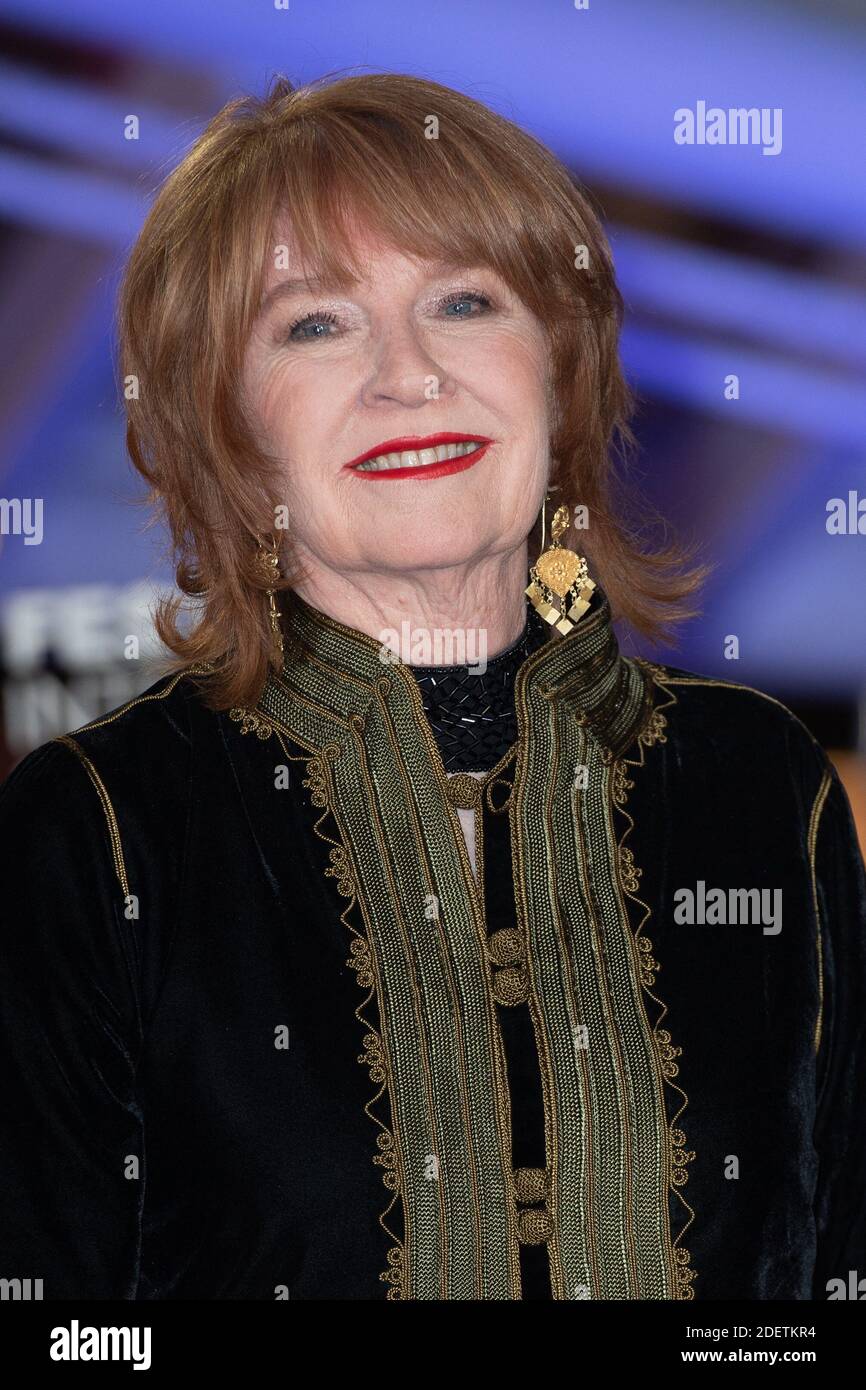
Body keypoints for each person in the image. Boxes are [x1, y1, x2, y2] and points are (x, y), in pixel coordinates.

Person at [1, 71, 864, 1302]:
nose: (408, 373)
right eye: (314, 322)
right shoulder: (98, 832)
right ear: (229, 432)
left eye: (465, 301)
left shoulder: (761, 786)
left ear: (557, 377)